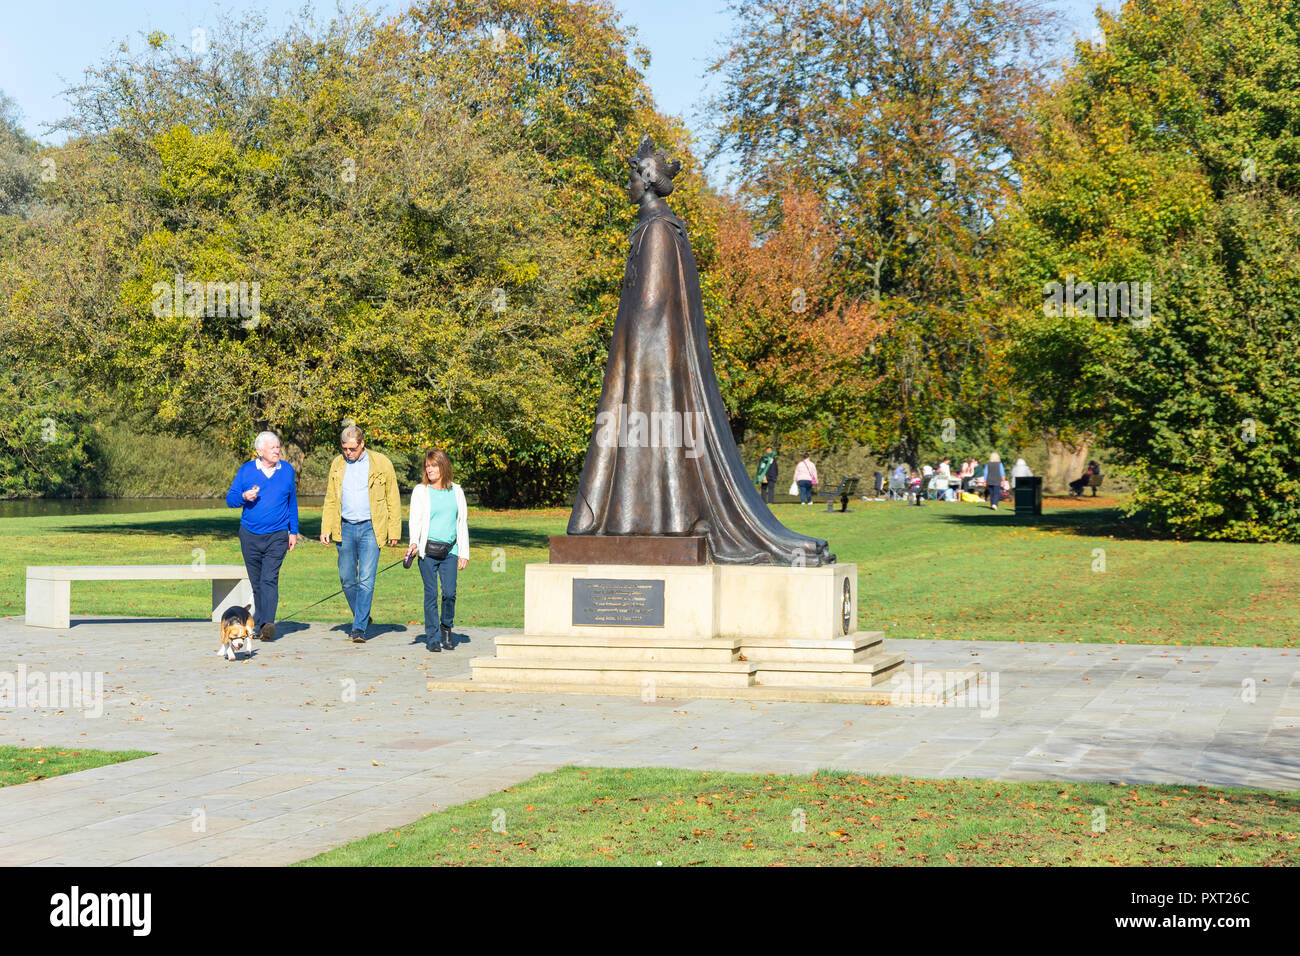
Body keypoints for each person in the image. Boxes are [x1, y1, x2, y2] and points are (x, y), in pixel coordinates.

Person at [565, 135, 832, 565]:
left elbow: (650, 310)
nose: (627, 186)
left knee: (651, 437)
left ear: (648, 178)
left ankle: (661, 522)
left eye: (632, 176)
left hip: (649, 366)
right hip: (653, 362)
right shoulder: (663, 228)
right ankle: (650, 520)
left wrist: (627, 369)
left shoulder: (656, 231)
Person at [320, 425, 401, 643]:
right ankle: (363, 616)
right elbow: (330, 499)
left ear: (362, 444)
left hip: (370, 528)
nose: (348, 453)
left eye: (352, 449)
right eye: (344, 448)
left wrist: (394, 530)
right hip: (344, 527)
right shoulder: (337, 464)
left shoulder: (381, 463)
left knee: (366, 579)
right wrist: (326, 527)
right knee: (347, 579)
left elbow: (393, 498)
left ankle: (359, 629)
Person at [225, 431, 299, 640]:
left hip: (277, 534)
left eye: (278, 446)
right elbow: (230, 500)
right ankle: (258, 624)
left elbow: (291, 502)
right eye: (272, 447)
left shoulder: (286, 470)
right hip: (249, 535)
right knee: (256, 582)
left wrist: (293, 530)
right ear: (260, 451)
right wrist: (244, 496)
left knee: (269, 578)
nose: (277, 450)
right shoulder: (247, 470)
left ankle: (268, 623)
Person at [405, 448, 469, 653]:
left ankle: (446, 627)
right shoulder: (420, 491)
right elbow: (414, 520)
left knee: (449, 593)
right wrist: (413, 543)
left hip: (450, 550)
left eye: (433, 465)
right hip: (427, 550)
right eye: (427, 466)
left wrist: (463, 552)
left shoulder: (457, 491)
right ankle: (432, 637)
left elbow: (462, 522)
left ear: (443, 466)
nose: (429, 469)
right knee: (431, 594)